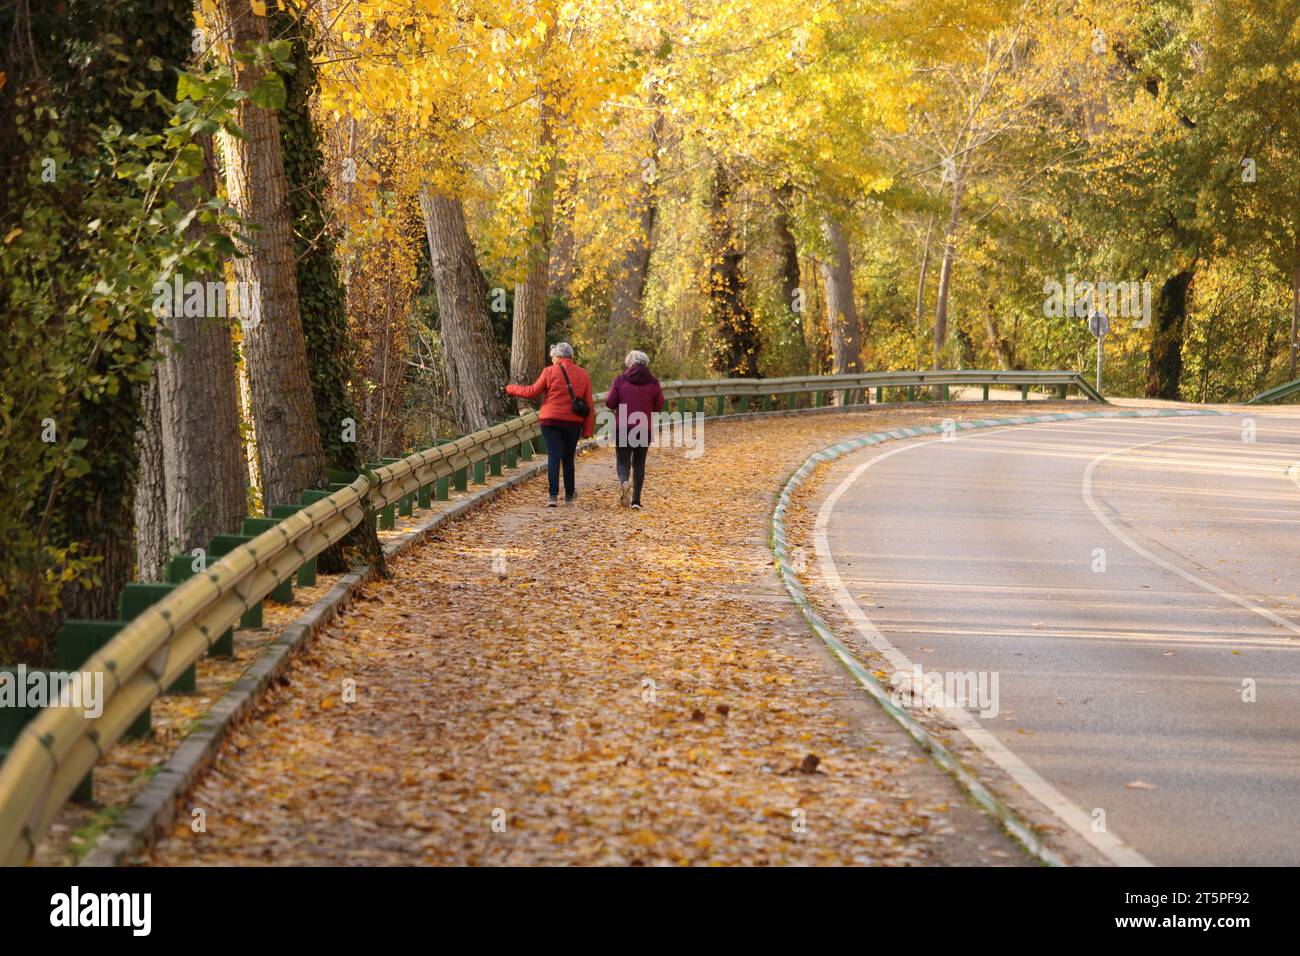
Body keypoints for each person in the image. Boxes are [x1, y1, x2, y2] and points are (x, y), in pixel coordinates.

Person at [506, 342, 595, 506]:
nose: (552, 359)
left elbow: (531, 392)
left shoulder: (549, 371)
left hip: (550, 420)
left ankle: (553, 497)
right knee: (568, 458)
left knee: (554, 456)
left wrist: (510, 388)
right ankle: (569, 495)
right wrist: (588, 429)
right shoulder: (583, 374)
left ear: (559, 356)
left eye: (553, 356)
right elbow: (589, 403)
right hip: (573, 422)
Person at [605, 350, 664, 510]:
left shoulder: (620, 380)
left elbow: (610, 402)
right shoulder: (653, 382)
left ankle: (624, 482)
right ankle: (636, 501)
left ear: (629, 363)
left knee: (622, 462)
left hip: (623, 427)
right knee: (639, 463)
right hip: (643, 427)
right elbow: (659, 406)